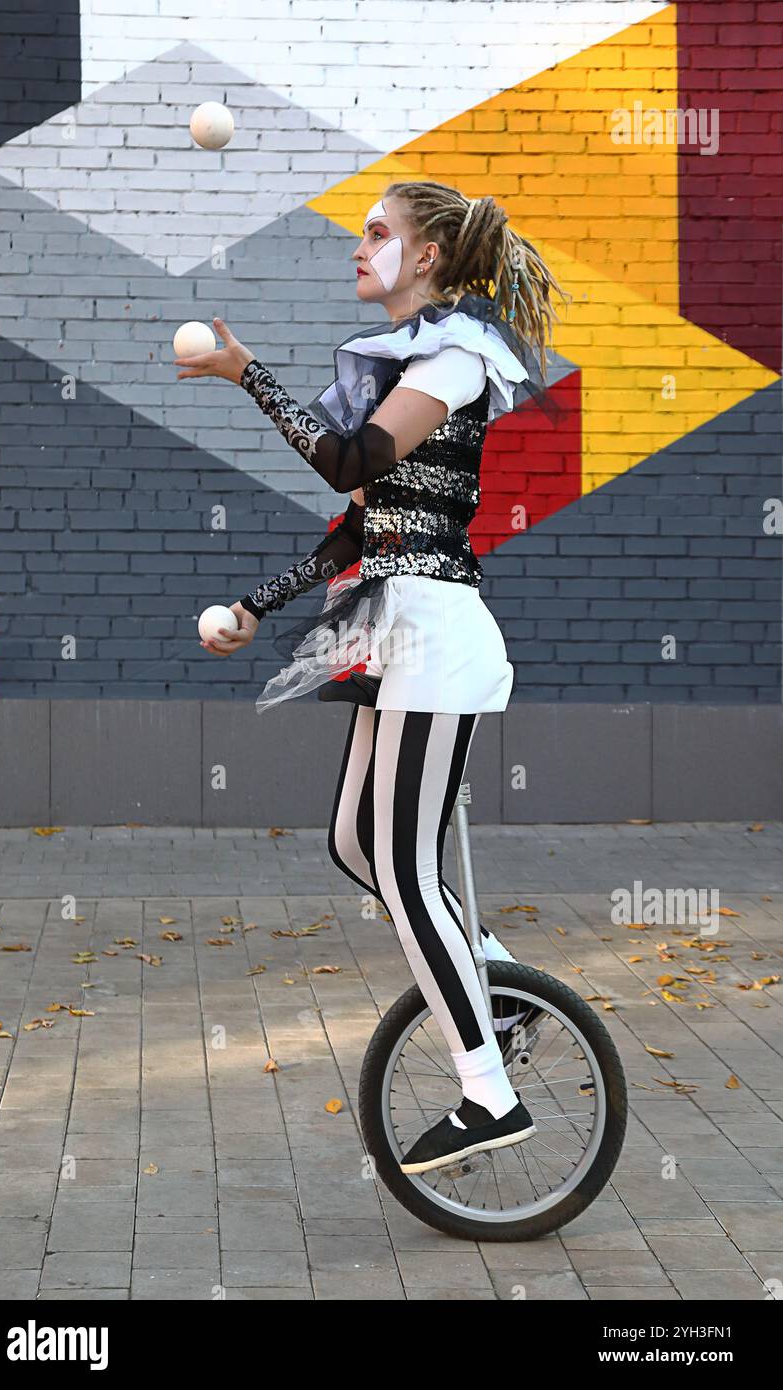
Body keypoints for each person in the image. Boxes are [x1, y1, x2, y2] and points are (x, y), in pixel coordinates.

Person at [175, 181, 568, 1175]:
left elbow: (348, 464)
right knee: (357, 842)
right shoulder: (413, 361)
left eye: (378, 233)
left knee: (401, 861)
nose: (360, 247)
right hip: (400, 629)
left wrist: (248, 373)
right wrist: (261, 603)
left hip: (439, 635)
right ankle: (503, 989)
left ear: (428, 256)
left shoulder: (451, 356)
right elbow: (365, 523)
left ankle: (488, 1090)